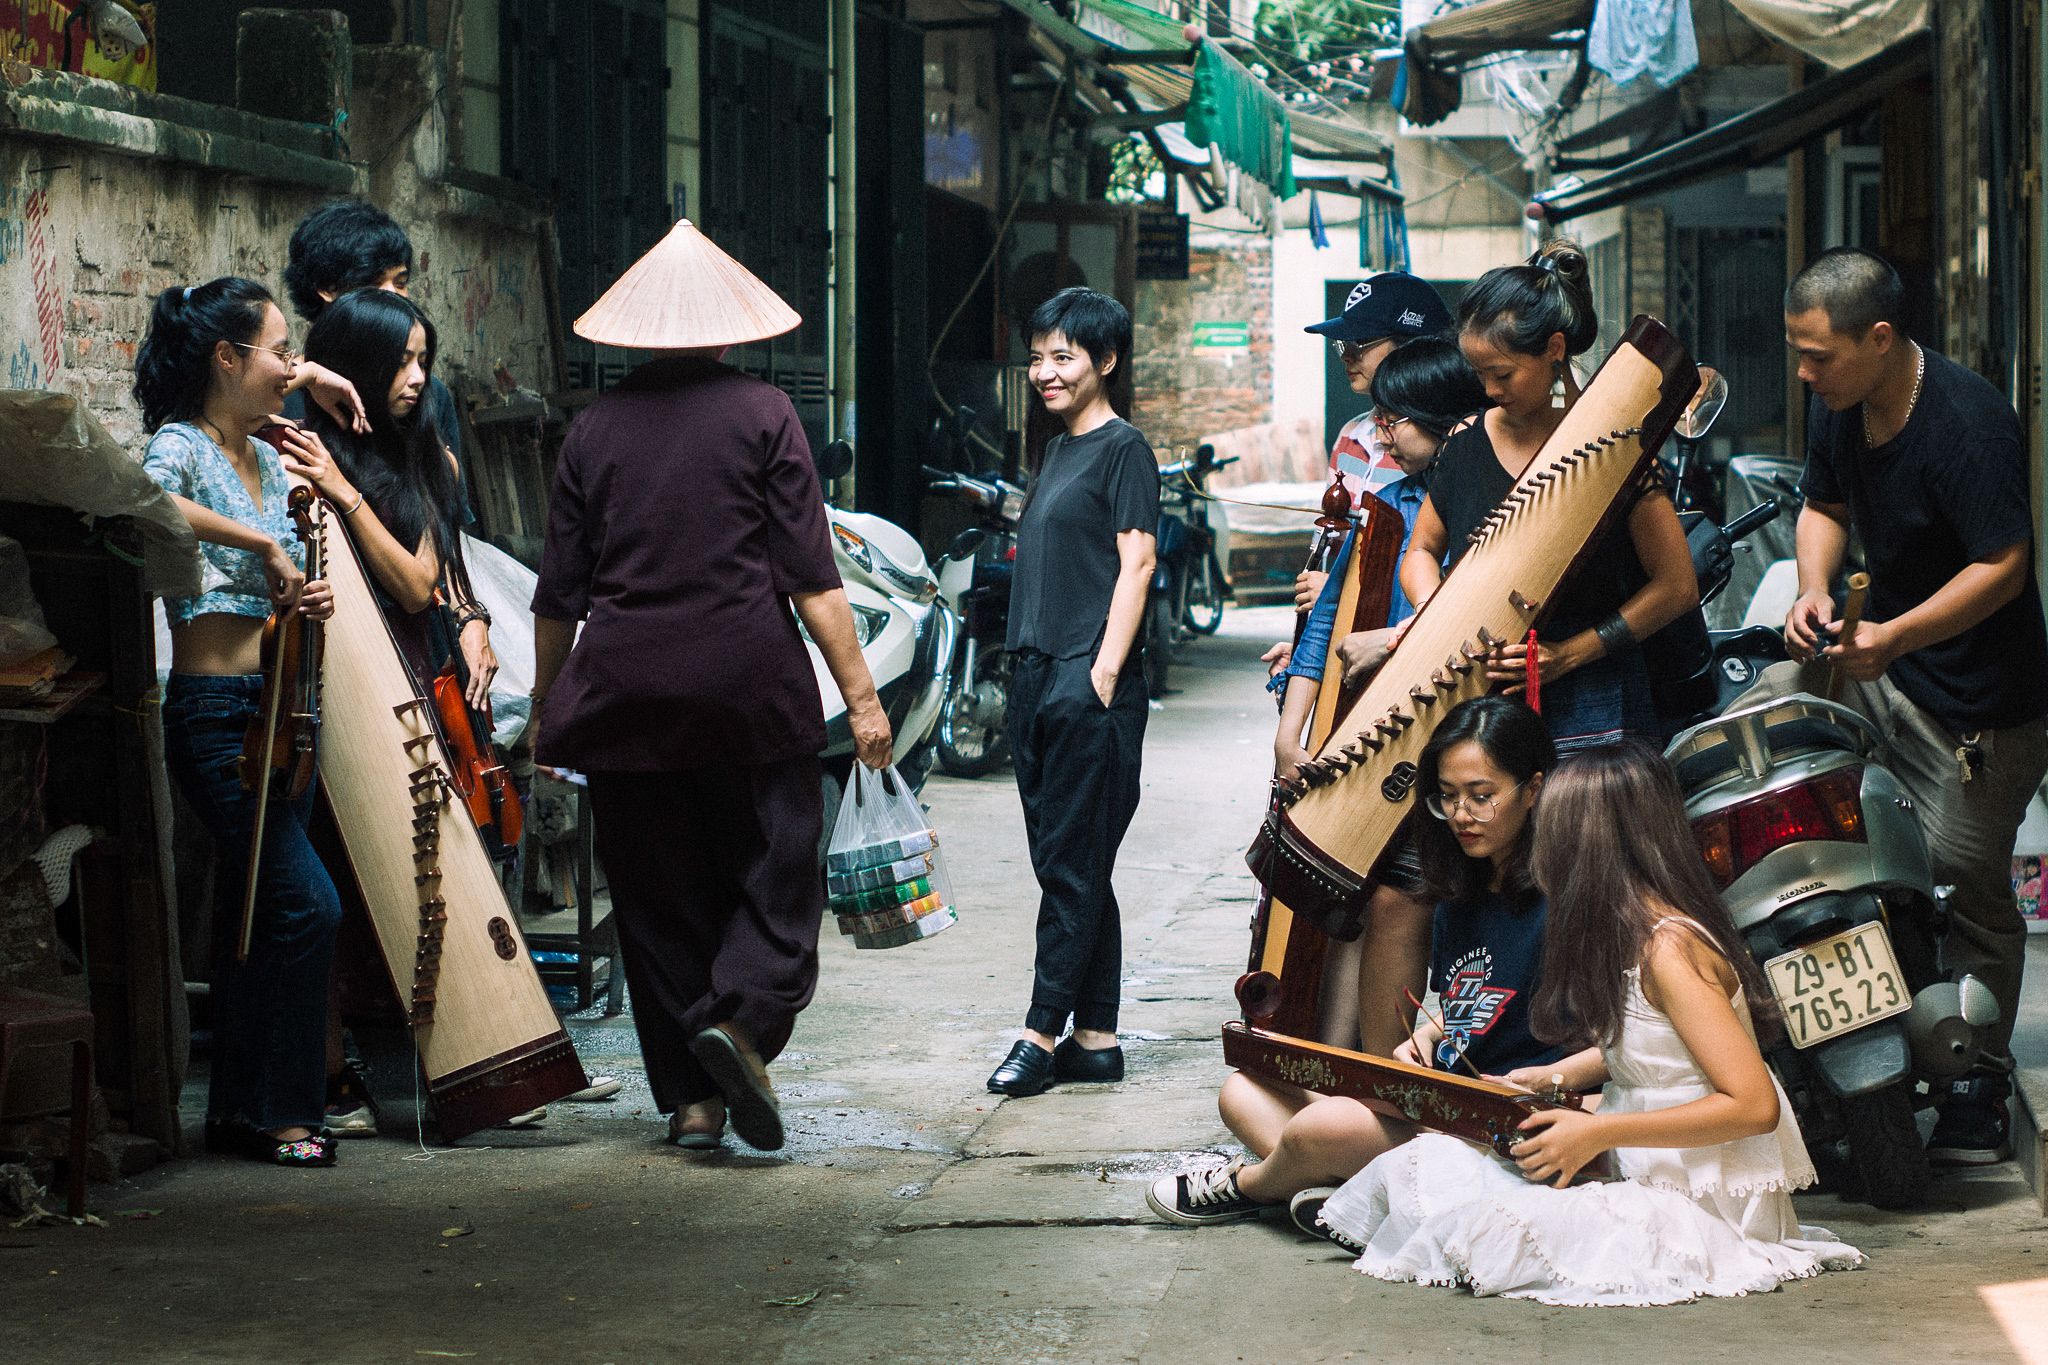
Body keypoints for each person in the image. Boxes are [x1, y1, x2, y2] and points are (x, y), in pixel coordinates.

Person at [529, 219, 892, 1152]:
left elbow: (559, 593)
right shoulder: (766, 413)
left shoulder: (591, 431)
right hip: (748, 690)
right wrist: (860, 696)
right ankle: (739, 1022)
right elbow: (813, 576)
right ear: (729, 331)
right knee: (778, 869)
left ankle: (693, 1101)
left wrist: (545, 706)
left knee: (655, 898)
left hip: (623, 697)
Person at [1313, 742, 1865, 1306]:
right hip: (1641, 1163)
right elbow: (1656, 1052)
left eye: (1551, 835)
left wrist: (1597, 1131)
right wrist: (1547, 1081)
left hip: (1697, 1202)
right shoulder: (1630, 931)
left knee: (1488, 1229)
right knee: (1429, 1163)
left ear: (1589, 846)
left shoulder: (1669, 948)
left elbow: (1752, 1106)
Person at [1763, 246, 2048, 1164]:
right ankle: (1792, 1040)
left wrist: (1896, 638)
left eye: (1818, 356)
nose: (1804, 374)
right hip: (1879, 664)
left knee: (1966, 886)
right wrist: (1811, 592)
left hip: (1977, 706)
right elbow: (1823, 504)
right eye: (1797, 353)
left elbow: (2004, 567)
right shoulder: (1842, 404)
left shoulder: (1968, 423)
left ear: (1880, 339)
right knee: (1759, 736)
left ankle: (1976, 1079)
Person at [1149, 698, 1589, 1231]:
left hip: (1505, 1124)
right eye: (1446, 797)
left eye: (1482, 797)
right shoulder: (1458, 889)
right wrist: (1432, 1037)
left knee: (1321, 1129)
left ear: (1535, 790)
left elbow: (1618, 1044)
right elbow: (1483, 1006)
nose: (1461, 816)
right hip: (1443, 1106)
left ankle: (1249, 1185)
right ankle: (1348, 1194)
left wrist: (1545, 1080)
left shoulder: (1568, 896)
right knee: (1244, 1090)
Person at [136, 277, 342, 1167]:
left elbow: (280, 593)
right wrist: (262, 546)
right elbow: (145, 502)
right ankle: (287, 1112)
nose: (291, 366)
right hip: (216, 715)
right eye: (280, 350)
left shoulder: (266, 448)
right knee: (307, 906)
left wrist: (306, 593)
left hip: (281, 707)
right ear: (227, 358)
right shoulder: (182, 444)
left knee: (254, 915)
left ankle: (235, 1114)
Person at [1268, 337, 1487, 1055]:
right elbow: (1325, 621)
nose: (1382, 432)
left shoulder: (1488, 502)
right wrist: (1291, 732)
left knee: (1415, 899)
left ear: (1447, 419)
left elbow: (1479, 615)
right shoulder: (1386, 504)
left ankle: (1386, 1076)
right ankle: (1335, 1076)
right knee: (1350, 905)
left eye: (1396, 418)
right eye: (1381, 416)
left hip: (1451, 732)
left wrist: (1392, 640)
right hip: (1375, 733)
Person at [1401, 240, 1699, 752]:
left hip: (1599, 698)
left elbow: (1676, 588)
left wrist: (1569, 655)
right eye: (1479, 375)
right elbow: (1422, 551)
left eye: (1502, 374)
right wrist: (1439, 618)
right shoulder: (1464, 442)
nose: (1490, 390)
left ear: (1554, 349)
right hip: (1485, 700)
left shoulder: (1613, 449)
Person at [984, 287, 1158, 1098]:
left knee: (1071, 868)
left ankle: (1039, 1030)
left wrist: (1102, 676)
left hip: (1085, 680)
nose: (1044, 372)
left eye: (1064, 357)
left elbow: (1139, 564)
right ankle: (1097, 1036)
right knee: (1074, 863)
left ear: (1106, 361)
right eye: (1038, 357)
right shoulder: (1056, 452)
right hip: (1035, 673)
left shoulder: (1125, 449)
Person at [1262, 269, 1452, 677]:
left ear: (1414, 349)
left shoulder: (1437, 451)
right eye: (1342, 345)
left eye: (1360, 344)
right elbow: (1335, 553)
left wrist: (1340, 593)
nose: (1346, 355)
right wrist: (1310, 643)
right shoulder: (1350, 436)